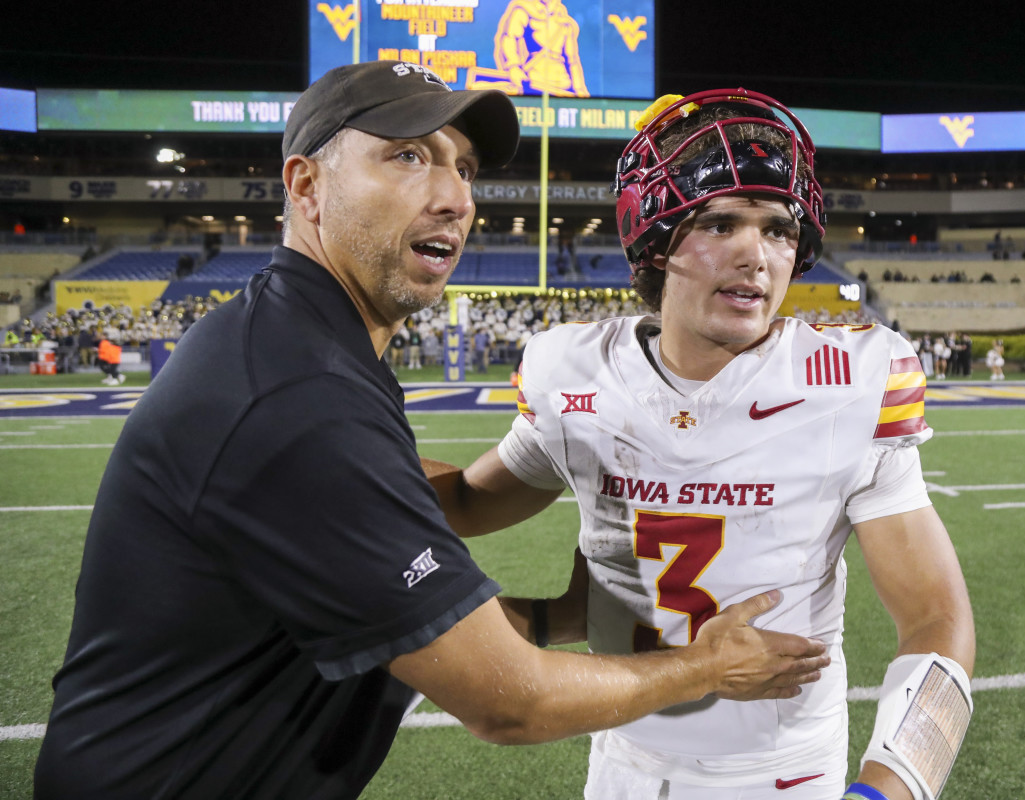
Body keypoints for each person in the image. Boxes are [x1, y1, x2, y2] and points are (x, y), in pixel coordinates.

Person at [34, 63, 825, 800]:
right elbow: (506, 701)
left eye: (465, 168)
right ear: (306, 186)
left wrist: (579, 609)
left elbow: (397, 590)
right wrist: (705, 665)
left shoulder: (304, 341)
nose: (456, 197)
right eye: (409, 157)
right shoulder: (299, 395)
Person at [427, 90, 975, 800]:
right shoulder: (575, 372)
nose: (756, 255)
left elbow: (937, 618)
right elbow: (468, 503)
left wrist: (888, 790)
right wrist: (334, 464)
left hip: (782, 774)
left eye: (779, 229)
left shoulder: (849, 380)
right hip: (622, 760)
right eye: (719, 222)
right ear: (654, 241)